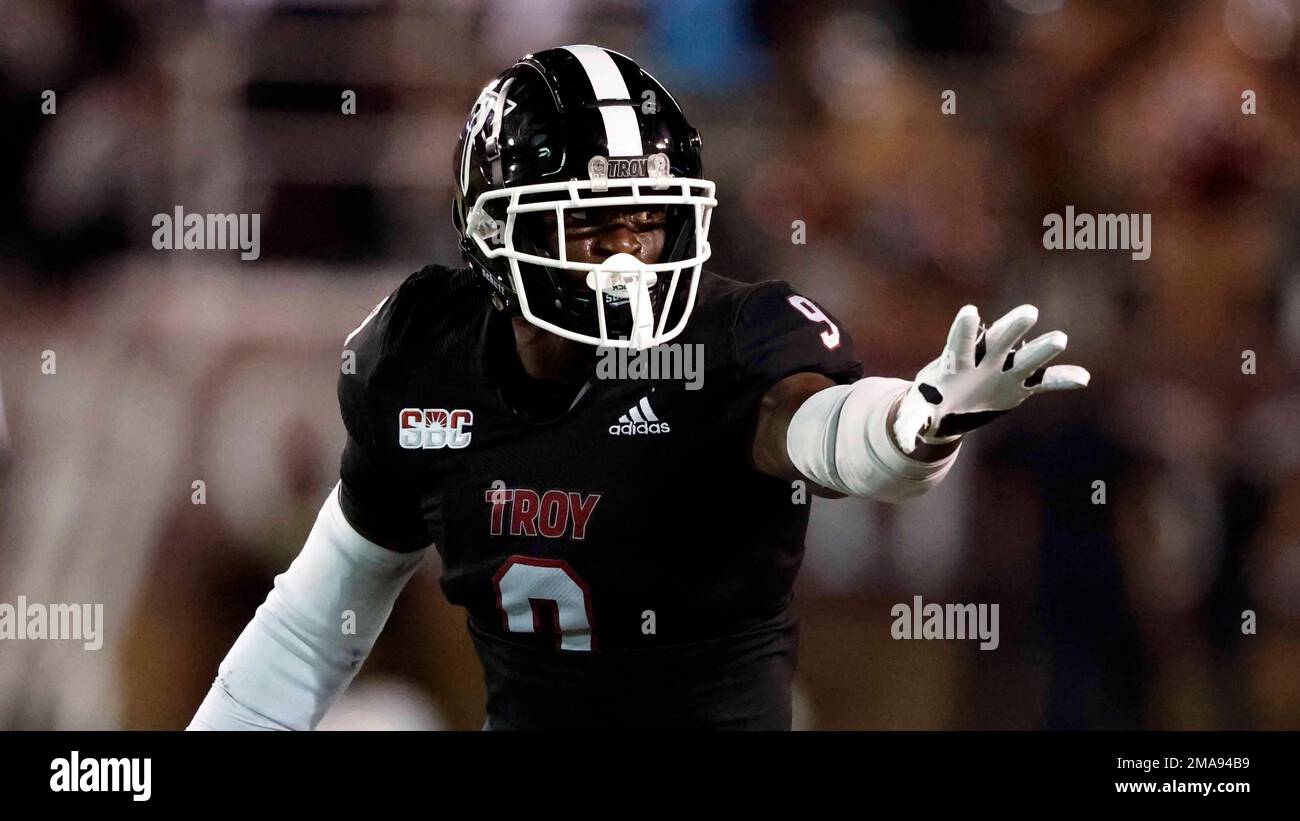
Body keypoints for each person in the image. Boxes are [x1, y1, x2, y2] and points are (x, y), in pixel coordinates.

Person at [189, 45, 1087, 731]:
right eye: (591, 229)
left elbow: (825, 428)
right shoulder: (426, 356)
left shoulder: (724, 341)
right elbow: (316, 624)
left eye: (648, 227)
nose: (630, 260)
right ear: (494, 231)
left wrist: (918, 422)